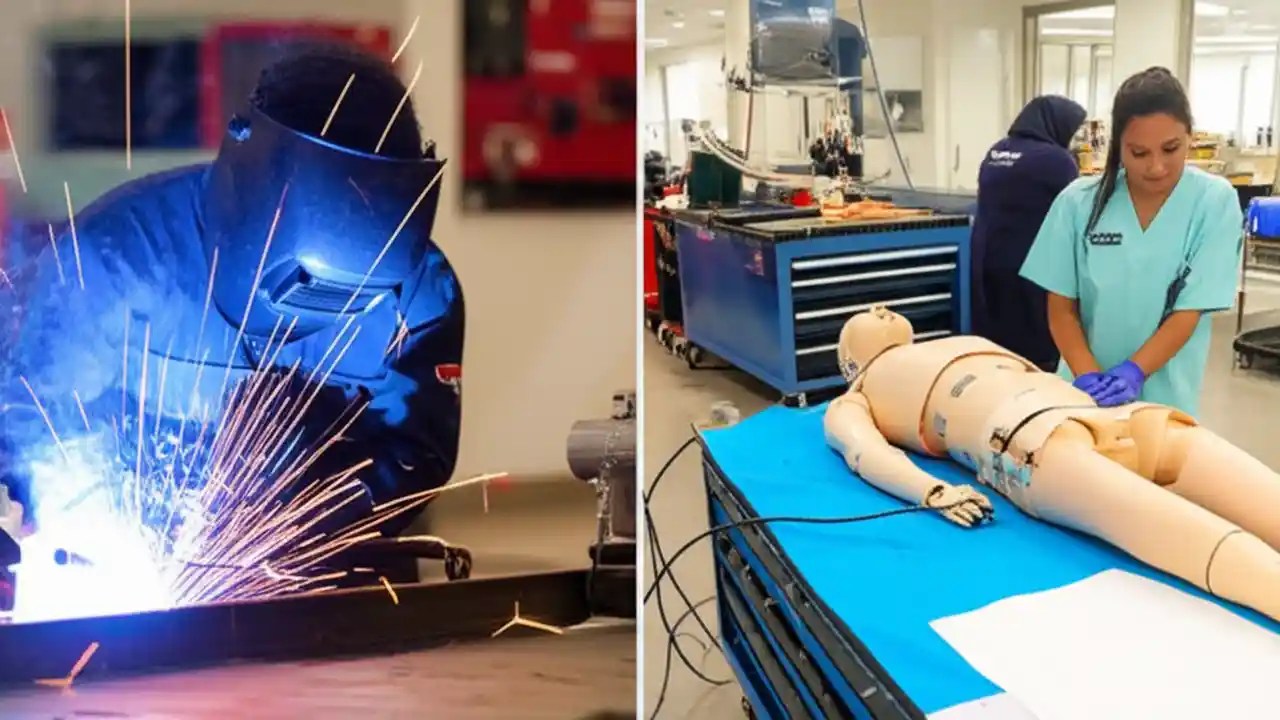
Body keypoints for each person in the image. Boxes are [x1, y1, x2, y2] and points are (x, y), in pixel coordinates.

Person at [0, 44, 464, 550]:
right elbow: (30, 416)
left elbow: (416, 453)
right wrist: (80, 517)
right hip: (128, 550)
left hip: (328, 562)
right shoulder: (117, 257)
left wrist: (305, 520)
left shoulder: (420, 294)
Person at [825, 306, 1280, 624]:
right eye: (866, 316)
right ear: (852, 363)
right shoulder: (860, 392)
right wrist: (932, 491)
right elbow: (864, 452)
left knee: (1249, 502)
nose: (879, 309)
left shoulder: (958, 344)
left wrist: (931, 491)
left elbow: (864, 453)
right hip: (1032, 438)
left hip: (1093, 418)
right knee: (1196, 539)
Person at [1020, 67, 1243, 416]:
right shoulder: (1078, 203)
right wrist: (1087, 376)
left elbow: (1189, 311)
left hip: (1166, 397)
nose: (1156, 167)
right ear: (1118, 146)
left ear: (1189, 135)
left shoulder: (1214, 202)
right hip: (1081, 394)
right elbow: (1061, 309)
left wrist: (1134, 371)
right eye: (1139, 153)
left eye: (1171, 149)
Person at [970, 95, 1086, 370]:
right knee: (1035, 347)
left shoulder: (996, 151)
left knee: (996, 343)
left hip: (986, 258)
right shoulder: (1057, 161)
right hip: (1031, 265)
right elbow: (1078, 208)